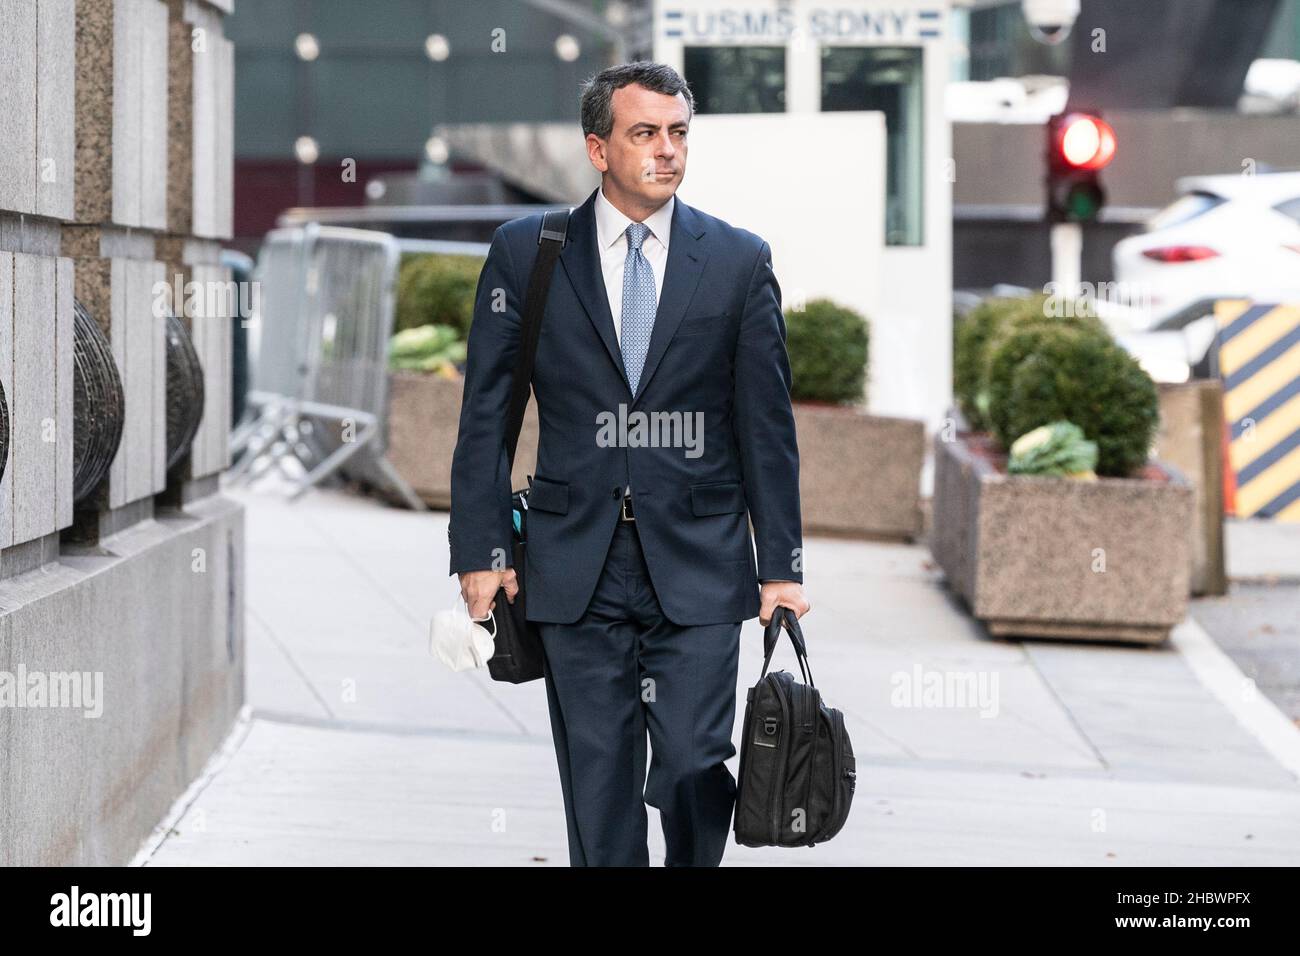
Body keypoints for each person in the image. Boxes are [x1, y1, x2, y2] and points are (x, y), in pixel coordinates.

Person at [448, 61, 809, 867]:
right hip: (574, 566)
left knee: (690, 760)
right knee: (598, 782)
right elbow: (486, 421)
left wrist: (779, 566)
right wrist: (481, 551)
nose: (667, 151)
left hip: (702, 565)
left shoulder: (738, 262)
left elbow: (768, 428)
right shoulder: (528, 254)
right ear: (598, 149)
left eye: (678, 132)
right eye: (644, 133)